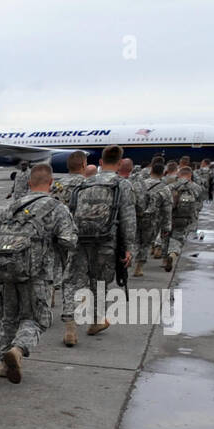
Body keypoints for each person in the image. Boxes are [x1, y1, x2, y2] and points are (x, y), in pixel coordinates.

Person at [0, 164, 77, 383]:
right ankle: (18, 349)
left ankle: (2, 364)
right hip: (37, 275)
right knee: (37, 319)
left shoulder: (13, 206)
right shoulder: (57, 208)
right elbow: (69, 241)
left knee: (8, 319)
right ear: (51, 183)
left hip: (6, 273)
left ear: (29, 183)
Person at [68, 144, 135, 338]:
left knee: (76, 280)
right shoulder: (122, 184)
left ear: (100, 162)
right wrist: (129, 247)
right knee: (100, 283)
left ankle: (70, 322)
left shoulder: (85, 182)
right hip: (107, 240)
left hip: (82, 238)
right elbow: (128, 218)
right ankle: (96, 320)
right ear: (120, 163)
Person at [50, 150, 90, 346]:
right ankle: (71, 323)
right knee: (75, 279)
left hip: (58, 236)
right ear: (83, 165)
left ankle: (49, 296)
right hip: (81, 238)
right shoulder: (88, 185)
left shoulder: (57, 185)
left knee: (55, 270)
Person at [137, 161, 173, 276]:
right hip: (152, 219)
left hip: (136, 217)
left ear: (151, 171)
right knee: (145, 244)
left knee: (133, 241)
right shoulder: (165, 189)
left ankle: (128, 261)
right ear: (163, 173)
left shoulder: (140, 184)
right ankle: (139, 267)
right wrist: (166, 227)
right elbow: (167, 209)